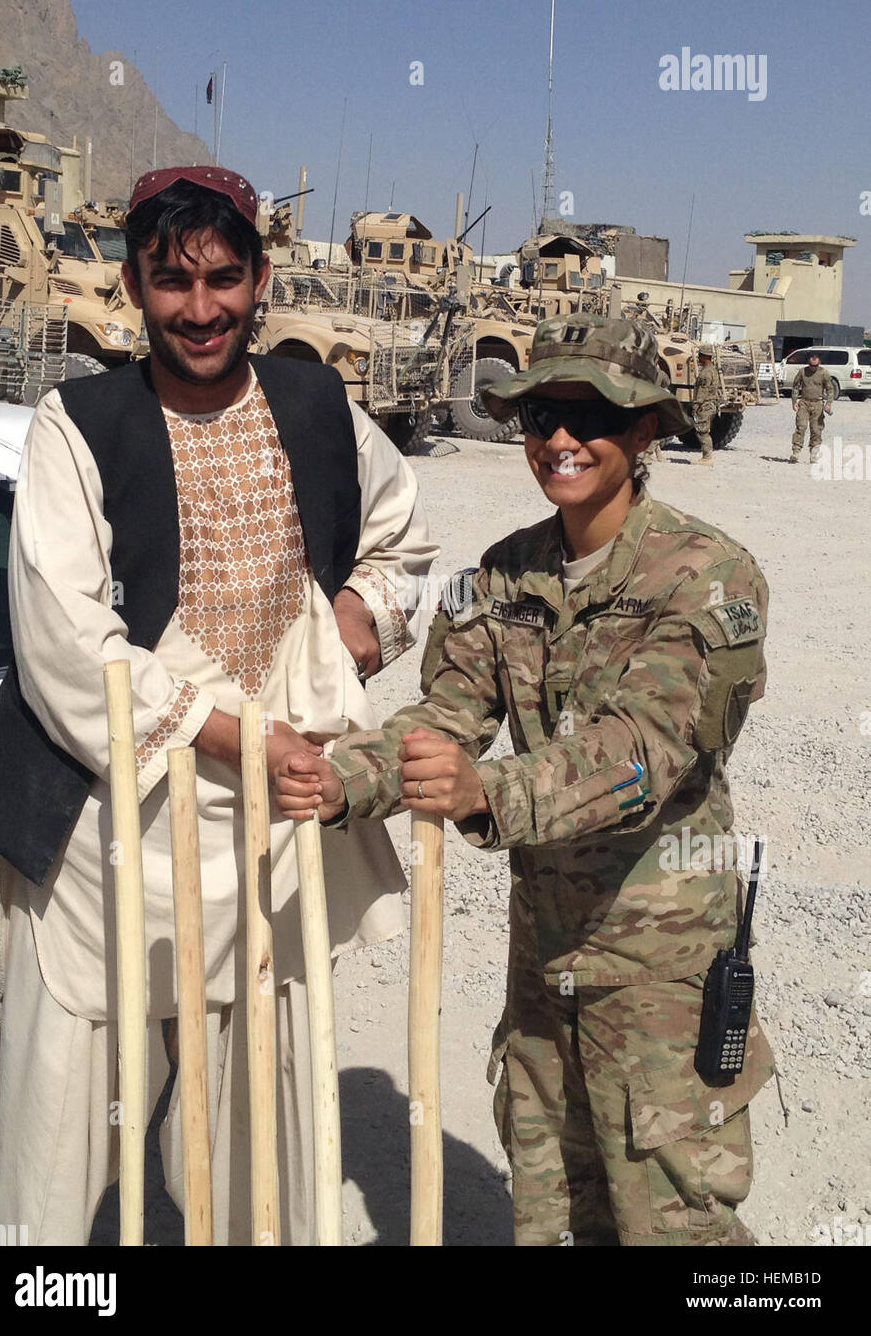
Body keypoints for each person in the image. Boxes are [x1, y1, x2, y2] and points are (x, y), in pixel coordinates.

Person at [0, 165, 438, 1246]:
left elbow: (402, 536)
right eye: (172, 281)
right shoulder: (74, 426)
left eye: (223, 278)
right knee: (59, 1138)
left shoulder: (317, 406)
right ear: (134, 285)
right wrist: (242, 735)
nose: (200, 307)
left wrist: (356, 627)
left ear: (260, 279)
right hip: (102, 845)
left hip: (267, 849)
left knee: (253, 1142)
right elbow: (67, 647)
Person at [277, 313, 777, 1247]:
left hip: (657, 980)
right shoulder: (500, 577)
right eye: (541, 414)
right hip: (546, 970)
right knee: (550, 1219)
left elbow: (643, 754)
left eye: (589, 418)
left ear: (644, 432)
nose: (558, 440)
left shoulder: (708, 577)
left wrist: (487, 794)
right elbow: (444, 719)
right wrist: (343, 779)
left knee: (679, 1231)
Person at [790, 352, 834, 463]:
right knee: (801, 427)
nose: (813, 368)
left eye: (815, 366)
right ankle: (796, 452)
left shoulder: (824, 373)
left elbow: (830, 389)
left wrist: (828, 403)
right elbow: (795, 387)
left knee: (816, 430)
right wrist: (794, 401)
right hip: (804, 402)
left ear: (819, 364)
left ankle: (813, 454)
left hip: (818, 404)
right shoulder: (802, 372)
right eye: (811, 365)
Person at [692, 347, 721, 465]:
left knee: (702, 431)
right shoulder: (713, 370)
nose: (698, 358)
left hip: (705, 405)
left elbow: (702, 391)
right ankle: (706, 456)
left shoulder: (705, 373)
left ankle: (707, 457)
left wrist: (696, 406)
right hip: (711, 404)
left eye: (700, 355)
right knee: (704, 429)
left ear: (704, 356)